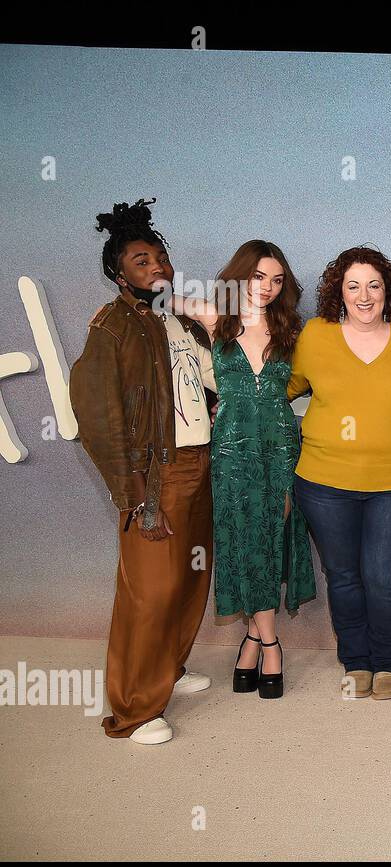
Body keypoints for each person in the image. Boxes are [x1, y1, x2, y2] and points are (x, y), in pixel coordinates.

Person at [69, 199, 215, 744]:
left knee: (189, 578)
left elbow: (204, 388)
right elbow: (98, 418)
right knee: (150, 590)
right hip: (159, 476)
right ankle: (133, 709)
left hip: (199, 463)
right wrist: (136, 495)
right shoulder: (111, 328)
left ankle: (169, 669)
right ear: (117, 272)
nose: (155, 267)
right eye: (140, 260)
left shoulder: (178, 321)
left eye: (160, 257)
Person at [288, 247, 391, 701]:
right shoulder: (315, 336)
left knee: (386, 577)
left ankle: (390, 663)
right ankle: (355, 661)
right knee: (343, 576)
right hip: (323, 483)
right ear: (338, 291)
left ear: (388, 290)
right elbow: (285, 385)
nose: (364, 295)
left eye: (374, 285)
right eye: (353, 285)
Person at [177, 241, 316, 699]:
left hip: (280, 447)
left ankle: (253, 640)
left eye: (277, 280)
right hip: (232, 449)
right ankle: (270, 642)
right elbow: (155, 297)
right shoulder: (216, 318)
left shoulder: (291, 329)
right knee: (243, 540)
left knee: (272, 538)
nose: (268, 288)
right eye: (259, 277)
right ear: (240, 277)